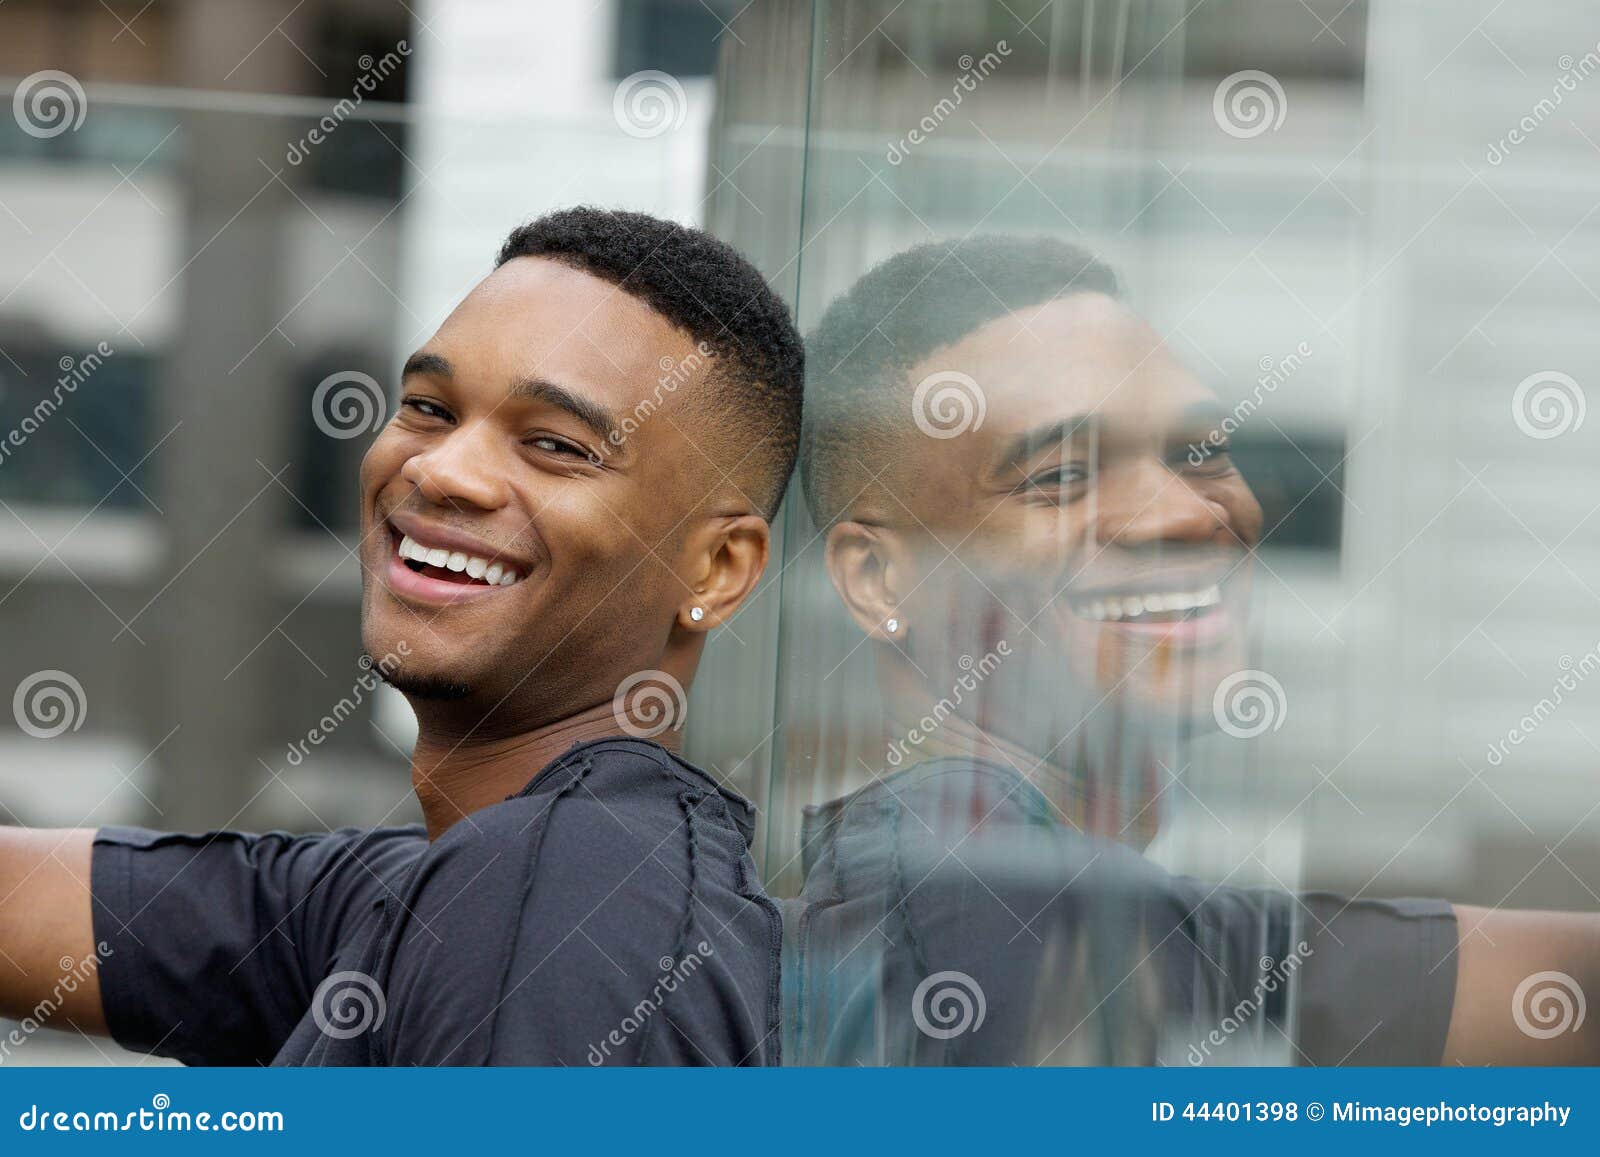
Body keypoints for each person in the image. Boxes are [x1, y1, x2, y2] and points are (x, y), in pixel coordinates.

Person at [0, 207, 803, 1066]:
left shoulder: (571, 892)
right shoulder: (442, 884)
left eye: (554, 444)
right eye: (428, 407)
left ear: (717, 567)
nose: (442, 468)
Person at [784, 234, 1599, 1066]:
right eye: (1061, 476)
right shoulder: (966, 894)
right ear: (879, 577)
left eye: (1199, 453)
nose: (1183, 513)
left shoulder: (1044, 890)